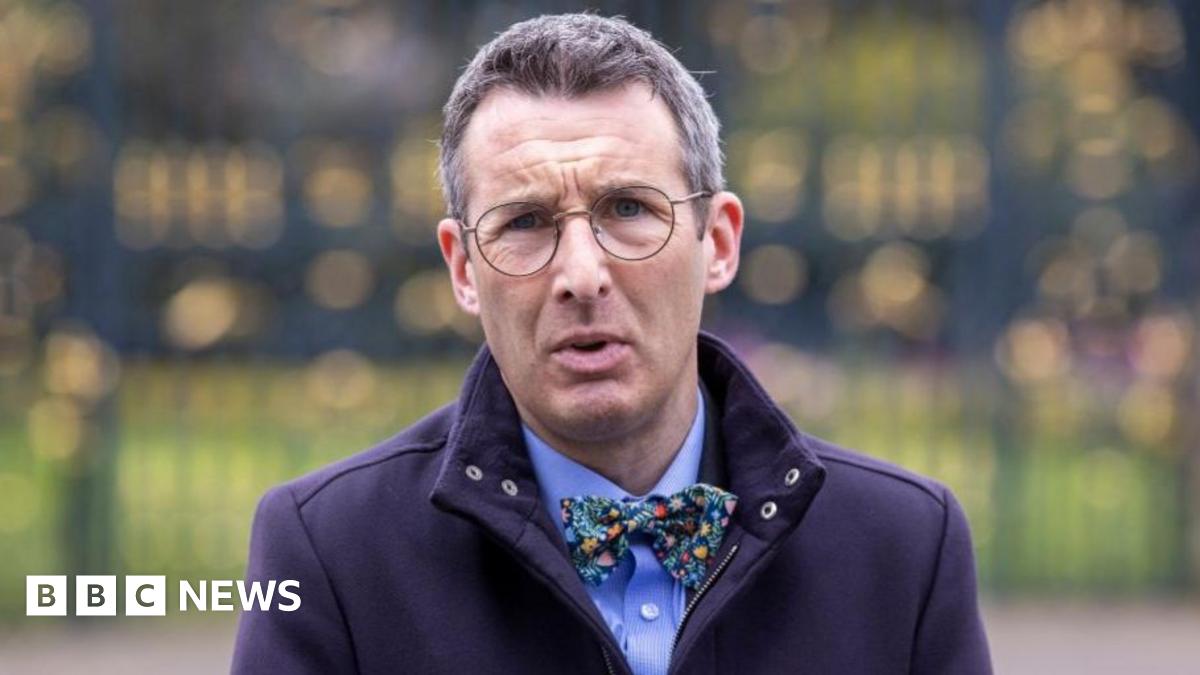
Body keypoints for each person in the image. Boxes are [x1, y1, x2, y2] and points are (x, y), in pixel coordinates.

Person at [232, 13, 992, 675]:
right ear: (463, 269)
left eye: (628, 209)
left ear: (719, 242)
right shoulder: (332, 551)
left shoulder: (903, 546)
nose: (582, 275)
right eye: (525, 222)